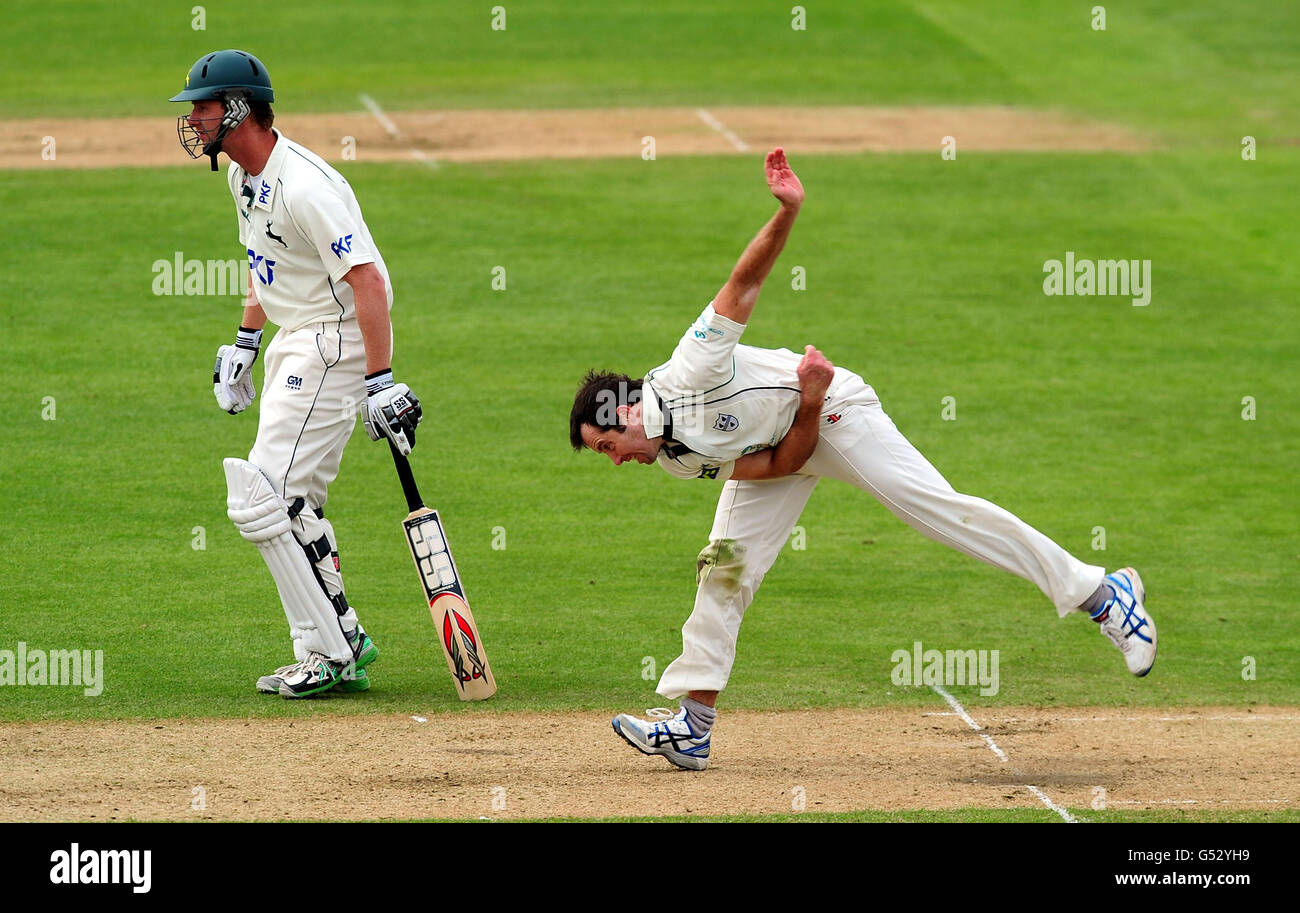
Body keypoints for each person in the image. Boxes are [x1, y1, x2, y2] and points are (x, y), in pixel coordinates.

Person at [569, 148, 1156, 770]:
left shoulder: (691, 368)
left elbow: (744, 283)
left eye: (608, 446)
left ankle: (1101, 592)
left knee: (937, 511)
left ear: (628, 411)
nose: (615, 462)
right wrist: (805, 410)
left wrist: (788, 212)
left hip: (839, 409)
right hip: (793, 435)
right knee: (724, 566)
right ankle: (694, 723)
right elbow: (777, 467)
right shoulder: (675, 460)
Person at [171, 50, 423, 698]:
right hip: (295, 338)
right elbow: (264, 262)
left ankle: (336, 644)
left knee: (262, 496)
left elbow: (366, 280)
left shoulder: (308, 187)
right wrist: (246, 339)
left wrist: (381, 379)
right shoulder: (240, 179)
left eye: (202, 107)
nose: (193, 119)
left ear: (237, 109)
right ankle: (323, 648)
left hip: (333, 344)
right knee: (289, 502)